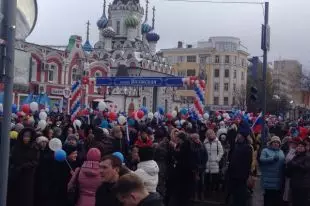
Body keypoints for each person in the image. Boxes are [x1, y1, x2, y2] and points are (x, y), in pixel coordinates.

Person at [7, 128, 39, 206]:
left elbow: (35, 162)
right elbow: (12, 159)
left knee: (25, 198)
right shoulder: (17, 146)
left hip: (27, 177)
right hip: (15, 175)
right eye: (25, 136)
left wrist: (24, 166)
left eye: (28, 136)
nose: (26, 138)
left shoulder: (34, 148)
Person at [227, 132, 253, 206]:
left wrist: (246, 174)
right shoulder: (236, 145)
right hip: (233, 174)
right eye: (238, 135)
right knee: (235, 194)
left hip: (241, 175)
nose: (238, 136)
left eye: (240, 135)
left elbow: (248, 162)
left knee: (240, 194)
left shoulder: (247, 147)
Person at [260, 136, 285, 206]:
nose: (276, 144)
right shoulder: (265, 150)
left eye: (277, 142)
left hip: (278, 180)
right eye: (274, 142)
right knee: (268, 199)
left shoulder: (281, 152)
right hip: (268, 180)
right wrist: (272, 159)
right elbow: (262, 160)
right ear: (271, 143)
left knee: (276, 200)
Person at [286, 141, 310, 206]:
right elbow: (290, 166)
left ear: (305, 148)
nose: (299, 147)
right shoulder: (295, 156)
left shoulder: (307, 157)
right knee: (295, 202)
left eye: (302, 146)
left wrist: (296, 164)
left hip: (303, 185)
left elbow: (306, 168)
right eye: (299, 146)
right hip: (294, 184)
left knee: (302, 202)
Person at [204, 129, 224, 194]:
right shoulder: (205, 142)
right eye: (208, 134)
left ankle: (214, 190)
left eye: (211, 134)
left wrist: (217, 159)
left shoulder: (218, 142)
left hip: (215, 163)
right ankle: (207, 190)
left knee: (214, 178)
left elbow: (221, 152)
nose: (210, 135)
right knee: (206, 178)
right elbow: (203, 152)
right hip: (207, 163)